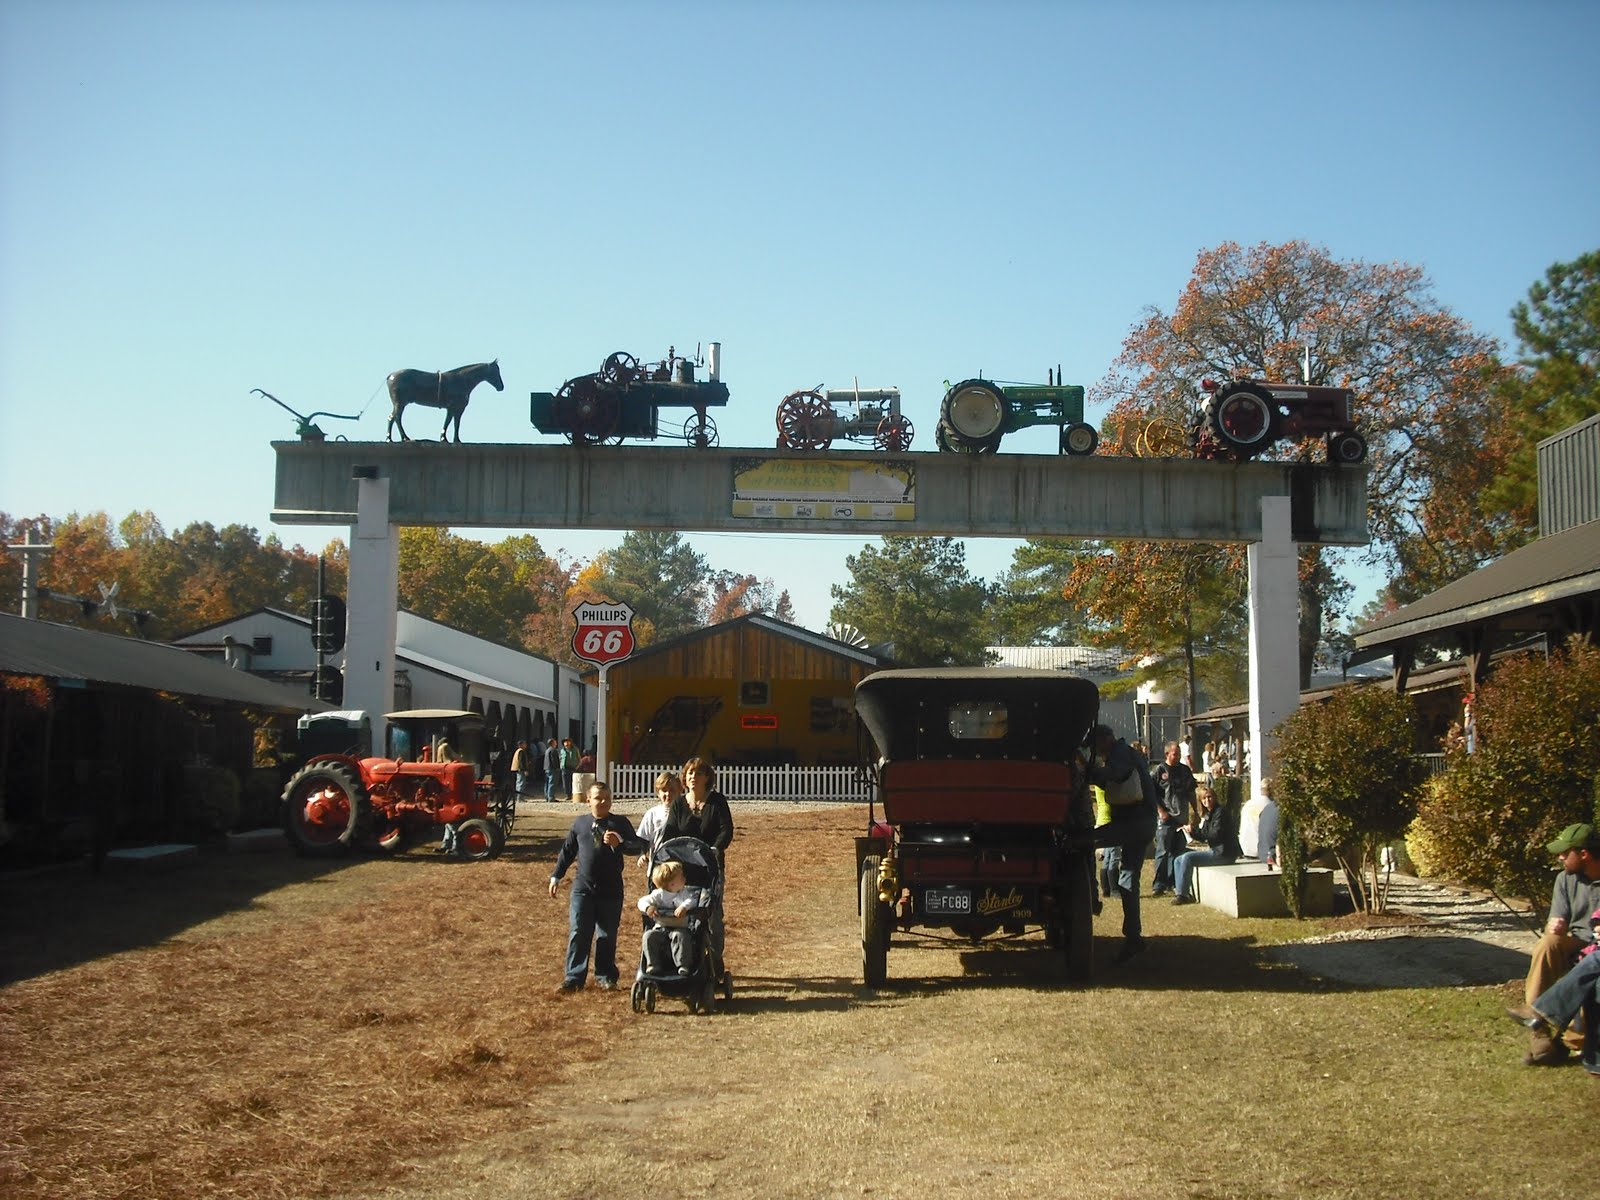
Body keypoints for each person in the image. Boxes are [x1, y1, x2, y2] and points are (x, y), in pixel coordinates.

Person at [548, 781, 646, 992]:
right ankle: (573, 978)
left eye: (607, 798)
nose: (603, 802)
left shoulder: (619, 823)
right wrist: (556, 876)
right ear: (588, 800)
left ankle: (605, 976)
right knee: (579, 931)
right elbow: (568, 851)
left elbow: (638, 845)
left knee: (606, 935)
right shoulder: (580, 823)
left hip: (611, 889)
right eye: (598, 798)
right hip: (583, 889)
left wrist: (620, 843)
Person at [1517, 823, 1600, 1064]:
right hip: (1578, 940)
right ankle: (1539, 1030)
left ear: (1584, 854)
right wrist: (1554, 927)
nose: (1560, 857)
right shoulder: (1565, 879)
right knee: (1548, 944)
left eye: (1565, 852)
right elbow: (1555, 923)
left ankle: (1565, 1043)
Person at [1087, 724, 1157, 965]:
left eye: (1096, 745)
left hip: (1133, 824)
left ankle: (1091, 898)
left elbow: (1116, 774)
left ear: (1106, 739)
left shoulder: (1121, 754)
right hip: (1141, 823)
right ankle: (1133, 938)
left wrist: (1088, 772)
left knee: (1083, 841)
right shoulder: (1127, 753)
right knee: (1128, 877)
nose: (1096, 751)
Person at [1506, 935, 1600, 1076]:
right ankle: (1541, 1033)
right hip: (1583, 938)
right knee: (1547, 945)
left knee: (1595, 960)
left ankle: (1542, 1017)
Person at [1171, 784, 1241, 905]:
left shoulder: (1220, 812)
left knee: (1187, 858)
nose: (1207, 800)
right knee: (1178, 859)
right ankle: (1181, 891)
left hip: (1224, 853)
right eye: (1204, 798)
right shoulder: (1209, 814)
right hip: (1216, 850)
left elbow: (1215, 834)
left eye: (1209, 797)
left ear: (1214, 797)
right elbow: (1203, 836)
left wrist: (1194, 831)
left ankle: (1182, 895)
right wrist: (1191, 831)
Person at [637, 860, 701, 975]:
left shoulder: (683, 893)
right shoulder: (658, 895)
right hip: (660, 928)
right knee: (649, 936)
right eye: (681, 877)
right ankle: (653, 964)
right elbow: (642, 901)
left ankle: (683, 965)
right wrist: (648, 908)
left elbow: (691, 900)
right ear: (672, 884)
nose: (684, 878)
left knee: (680, 936)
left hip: (680, 927)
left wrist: (684, 907)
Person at [1150, 741, 1196, 897]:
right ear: (1167, 754)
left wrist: (1195, 811)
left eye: (1179, 754)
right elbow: (1151, 793)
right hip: (1166, 817)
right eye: (1175, 754)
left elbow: (1191, 791)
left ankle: (1173, 882)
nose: (1177, 757)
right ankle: (1159, 884)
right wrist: (1160, 811)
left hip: (1181, 817)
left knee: (1178, 851)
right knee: (1163, 851)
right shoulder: (1159, 770)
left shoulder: (1185, 770)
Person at [636, 770, 681, 869]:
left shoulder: (684, 813)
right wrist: (642, 854)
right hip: (658, 865)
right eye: (664, 790)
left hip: (679, 865)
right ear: (658, 792)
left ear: (679, 791)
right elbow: (643, 839)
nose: (668, 794)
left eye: (672, 790)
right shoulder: (652, 814)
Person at [542, 737, 561, 803]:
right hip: (552, 769)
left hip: (546, 768)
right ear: (553, 743)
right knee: (552, 783)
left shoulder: (547, 750)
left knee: (547, 783)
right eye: (555, 742)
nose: (556, 743)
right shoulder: (553, 750)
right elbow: (554, 760)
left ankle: (547, 796)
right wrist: (557, 767)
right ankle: (551, 797)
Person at [560, 738, 577, 802]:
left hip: (573, 768)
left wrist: (577, 766)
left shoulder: (575, 749)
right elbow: (560, 758)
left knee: (573, 782)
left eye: (568, 742)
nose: (566, 743)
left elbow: (579, 758)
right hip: (564, 768)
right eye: (565, 742)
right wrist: (561, 766)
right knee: (565, 783)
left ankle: (573, 795)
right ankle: (568, 795)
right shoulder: (562, 750)